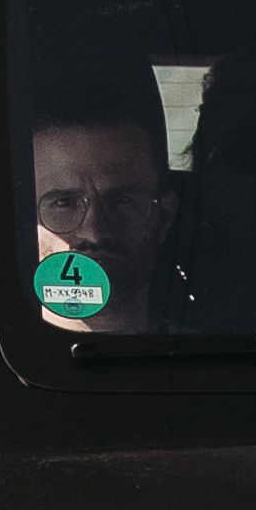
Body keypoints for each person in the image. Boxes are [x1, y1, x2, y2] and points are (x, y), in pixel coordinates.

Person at [27, 91, 182, 331]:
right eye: (63, 203)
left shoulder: (216, 353)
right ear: (25, 219)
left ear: (165, 216)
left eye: (121, 201)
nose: (94, 232)